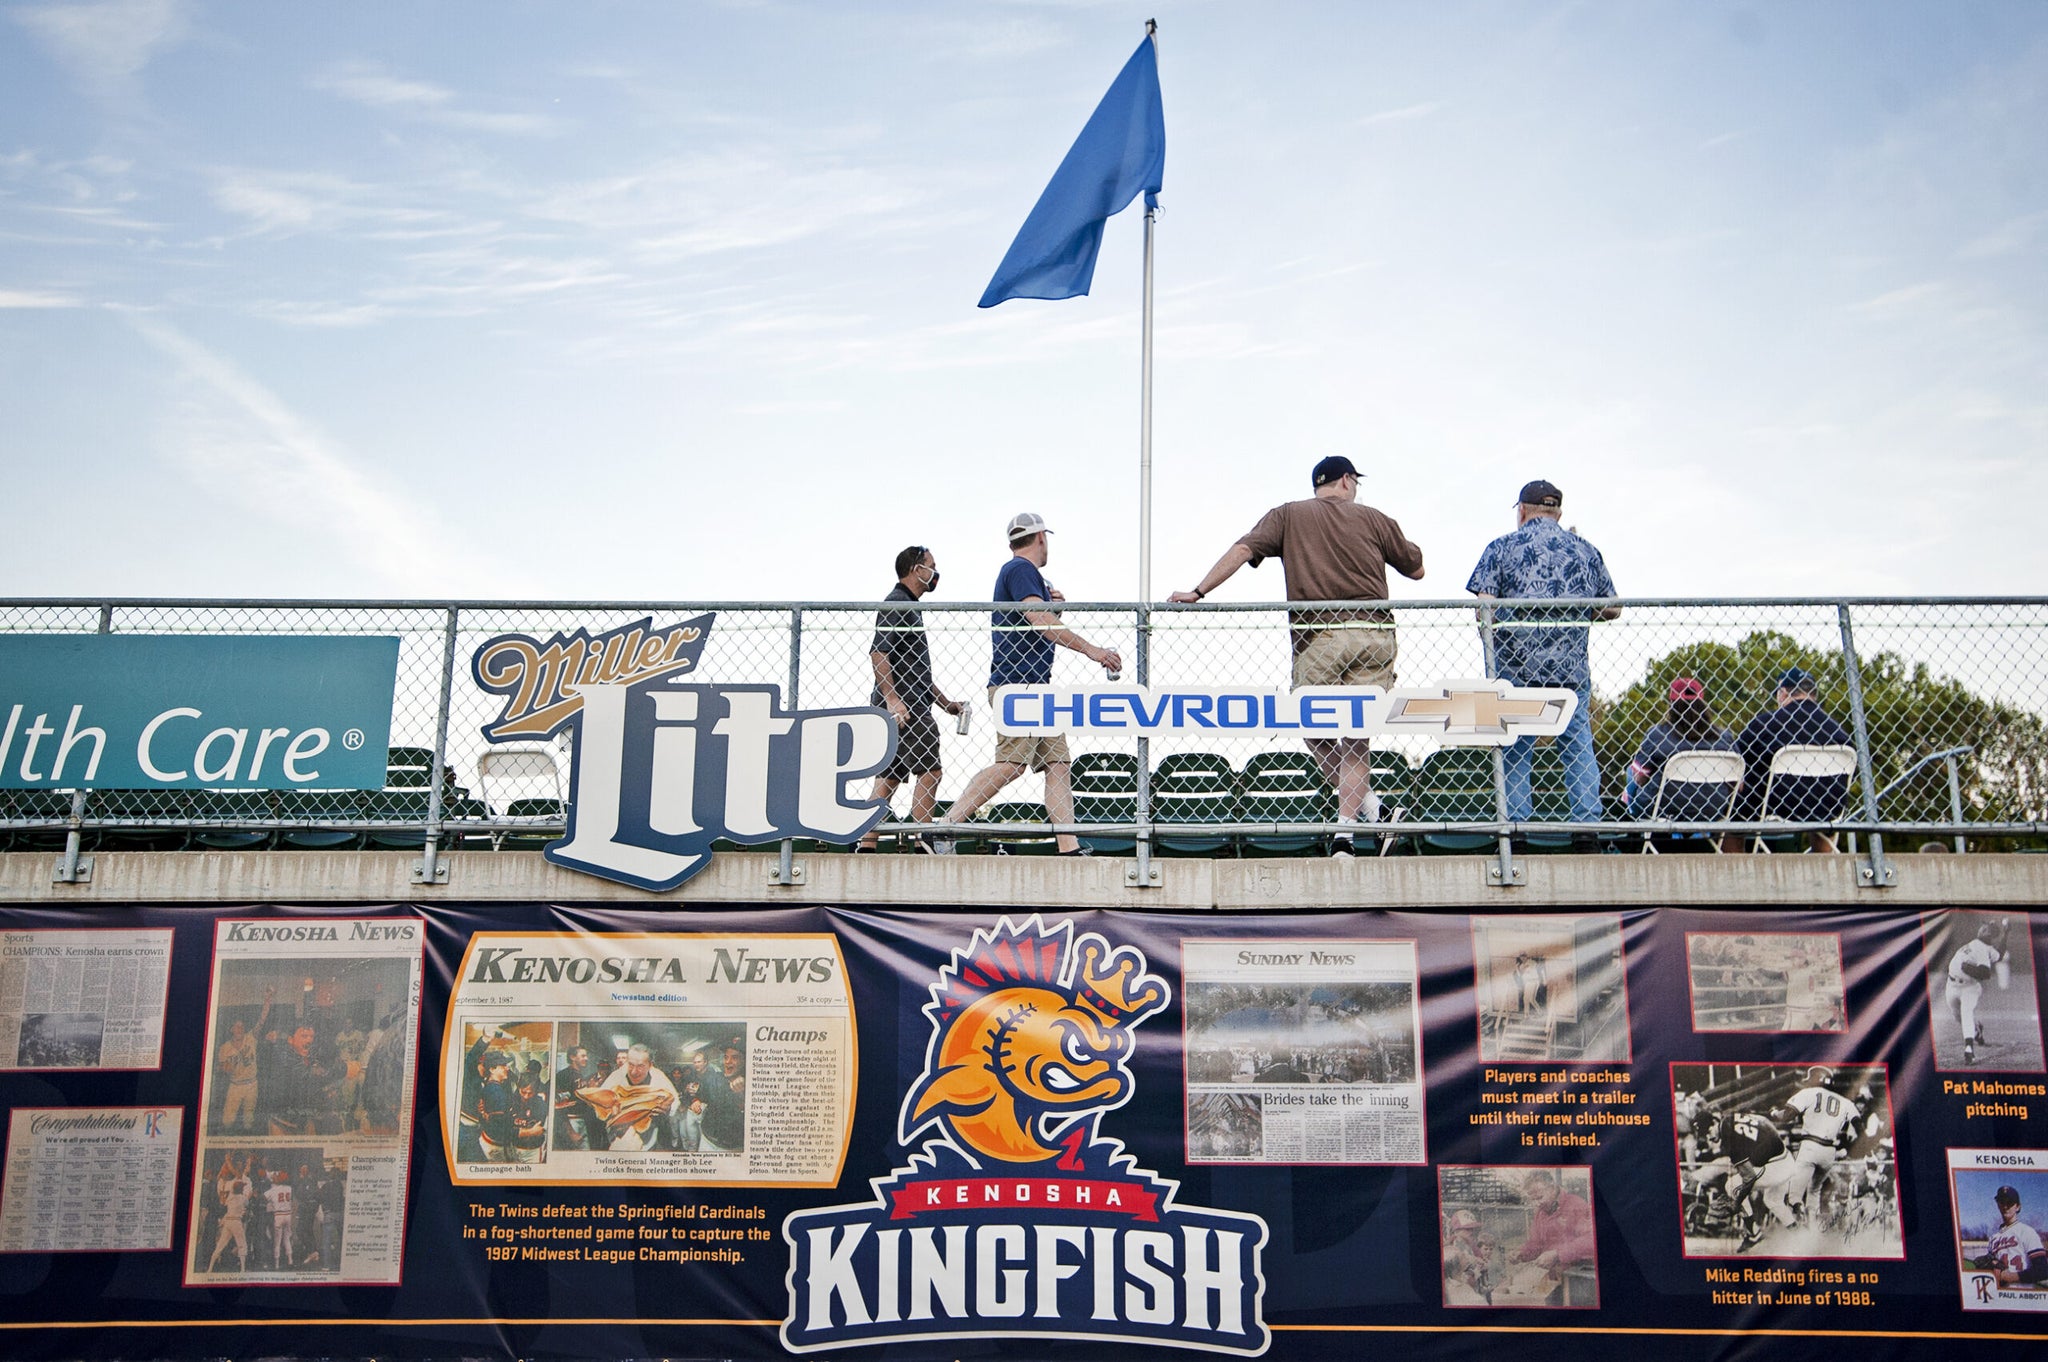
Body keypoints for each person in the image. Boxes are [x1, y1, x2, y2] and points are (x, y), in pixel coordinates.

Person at [1169, 455, 1426, 855]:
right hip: (1373, 634)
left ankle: (1350, 830)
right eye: (1355, 482)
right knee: (1356, 737)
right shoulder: (1375, 518)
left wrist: (1199, 591)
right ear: (1345, 481)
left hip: (1318, 638)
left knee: (1312, 726)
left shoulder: (1287, 514)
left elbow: (1241, 550)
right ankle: (1369, 816)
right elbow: (1417, 569)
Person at [929, 513, 1123, 855]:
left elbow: (1036, 618)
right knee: (1013, 763)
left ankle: (1068, 847)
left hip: (1037, 690)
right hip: (1019, 686)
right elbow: (1036, 619)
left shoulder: (1026, 577)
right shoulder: (1020, 570)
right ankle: (945, 828)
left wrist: (1052, 609)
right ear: (1041, 539)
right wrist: (1092, 650)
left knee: (1058, 763)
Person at [1466, 479, 1620, 852]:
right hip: (1570, 670)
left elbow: (1483, 607)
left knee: (1516, 746)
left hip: (1516, 667)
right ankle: (1586, 831)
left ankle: (1516, 830)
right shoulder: (1585, 550)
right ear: (1558, 512)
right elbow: (1613, 606)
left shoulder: (1501, 547)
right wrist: (1579, 610)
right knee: (1577, 743)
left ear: (1522, 510)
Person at [859, 546, 966, 851]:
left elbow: (917, 671)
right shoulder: (897, 603)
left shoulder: (909, 606)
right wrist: (893, 699)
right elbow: (879, 652)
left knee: (889, 776)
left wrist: (946, 703)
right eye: (931, 566)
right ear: (916, 569)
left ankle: (865, 844)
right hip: (907, 708)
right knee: (930, 769)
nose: (935, 573)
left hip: (905, 704)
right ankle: (923, 841)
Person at [1731, 667, 1854, 851]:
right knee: (1821, 791)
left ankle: (1733, 868)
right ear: (1814, 694)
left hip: (1778, 805)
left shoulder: (1764, 724)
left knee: (1732, 807)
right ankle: (1824, 861)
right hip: (1828, 808)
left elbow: (1737, 762)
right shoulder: (1838, 732)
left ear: (1783, 693)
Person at [1625, 676, 1738, 824]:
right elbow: (1737, 784)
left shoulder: (1658, 734)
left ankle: (1629, 815)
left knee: (1631, 770)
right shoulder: (1724, 737)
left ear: (1671, 704)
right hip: (1712, 808)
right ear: (1703, 704)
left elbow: (1640, 778)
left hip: (1662, 808)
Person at [1512, 1170, 1595, 1303]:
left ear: (1552, 1188)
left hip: (1577, 1278)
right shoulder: (1541, 1213)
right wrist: (1521, 1253)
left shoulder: (1576, 1205)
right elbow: (1536, 1243)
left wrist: (1558, 1254)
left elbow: (1591, 1241)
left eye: (1539, 1197)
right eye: (1533, 1200)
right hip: (1553, 1279)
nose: (1537, 1203)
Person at [1947, 918, 2013, 1066]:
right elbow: (2000, 954)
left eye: (1986, 928)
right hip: (1951, 986)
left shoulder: (1983, 948)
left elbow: (1985, 973)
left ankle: (1969, 1050)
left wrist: (1970, 969)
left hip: (1969, 988)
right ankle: (1977, 1031)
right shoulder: (1984, 947)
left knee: (1966, 1014)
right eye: (1983, 927)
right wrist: (2005, 934)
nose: (1981, 929)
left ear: (1989, 934)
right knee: (1958, 1017)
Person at [588, 1043, 677, 1151]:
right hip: (618, 1143)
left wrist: (666, 1110)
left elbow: (673, 1106)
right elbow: (598, 1107)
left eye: (640, 1066)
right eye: (630, 1065)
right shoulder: (616, 1078)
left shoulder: (659, 1080)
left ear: (650, 1065)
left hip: (648, 1145)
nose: (634, 1072)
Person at [1973, 1185, 2048, 1287]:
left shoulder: (2027, 1231)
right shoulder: (1993, 1237)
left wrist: (2009, 1277)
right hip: (1999, 1295)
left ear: (2018, 1207)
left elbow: (2042, 1270)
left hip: (2022, 1296)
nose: (2005, 1206)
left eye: (2010, 1202)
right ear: (1998, 1205)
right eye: (2002, 1202)